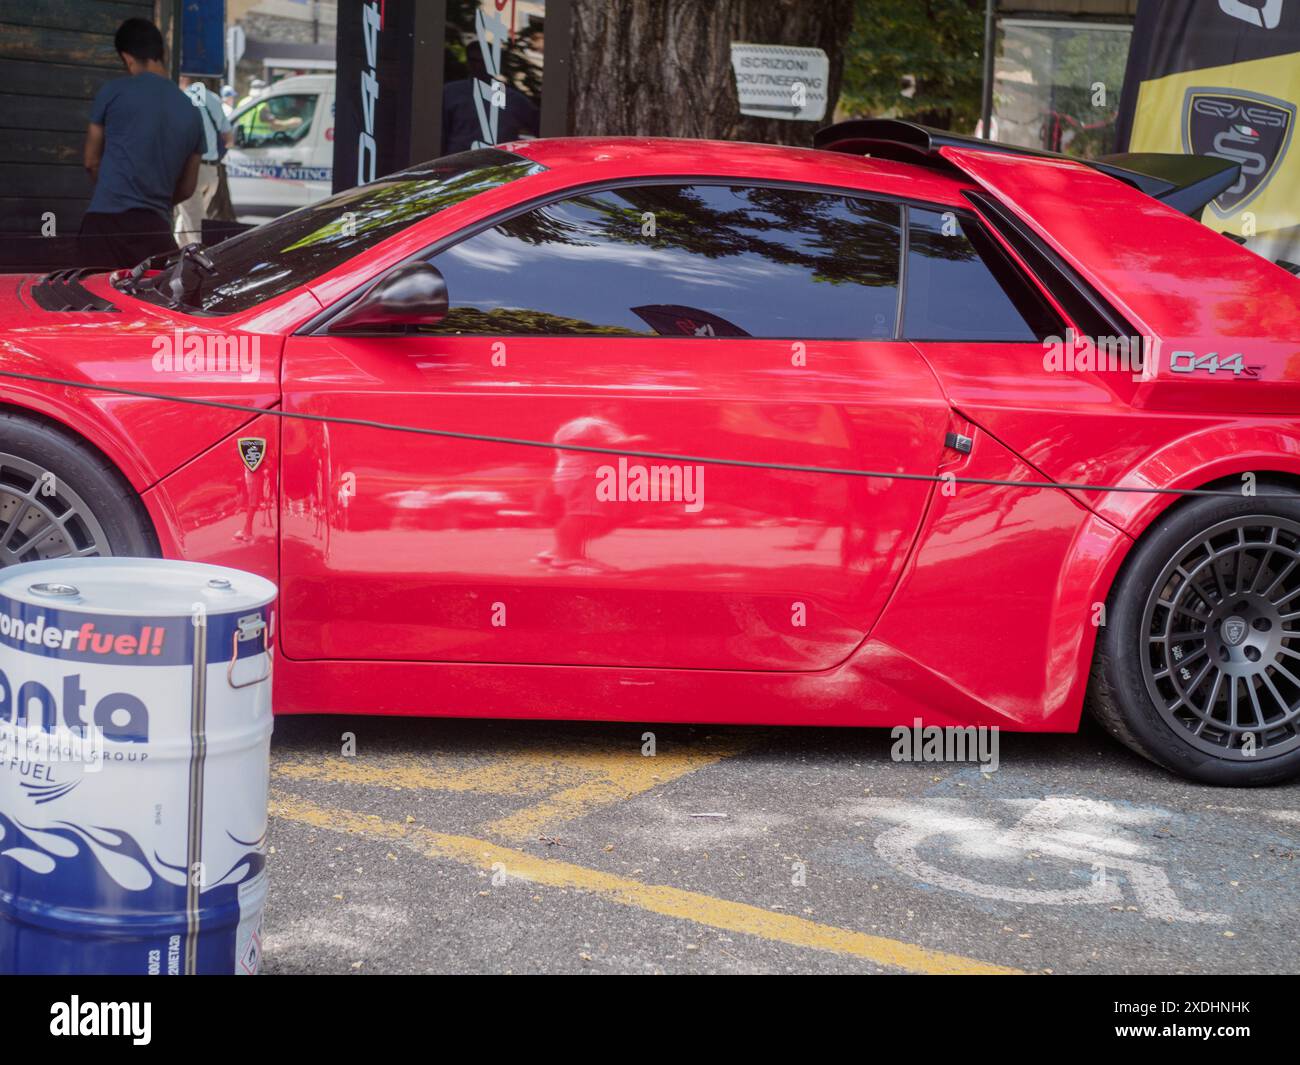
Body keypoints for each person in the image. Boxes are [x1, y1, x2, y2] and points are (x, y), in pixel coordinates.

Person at [79, 18, 202, 268]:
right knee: (146, 304)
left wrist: (114, 192)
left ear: (127, 58)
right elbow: (188, 188)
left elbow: (91, 162)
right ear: (162, 53)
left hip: (103, 227)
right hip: (154, 232)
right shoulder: (192, 112)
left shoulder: (112, 92)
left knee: (93, 304)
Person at [442, 46, 539, 155]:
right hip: (456, 163)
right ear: (468, 62)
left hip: (500, 165)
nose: (478, 65)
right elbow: (438, 134)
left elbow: (541, 129)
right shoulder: (450, 93)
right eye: (474, 60)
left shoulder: (513, 99)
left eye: (483, 61)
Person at [174, 75, 232, 245]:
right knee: (189, 219)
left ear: (182, 77)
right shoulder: (213, 98)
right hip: (212, 173)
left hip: (191, 171)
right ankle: (178, 258)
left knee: (196, 229)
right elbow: (229, 139)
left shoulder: (181, 99)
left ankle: (202, 265)